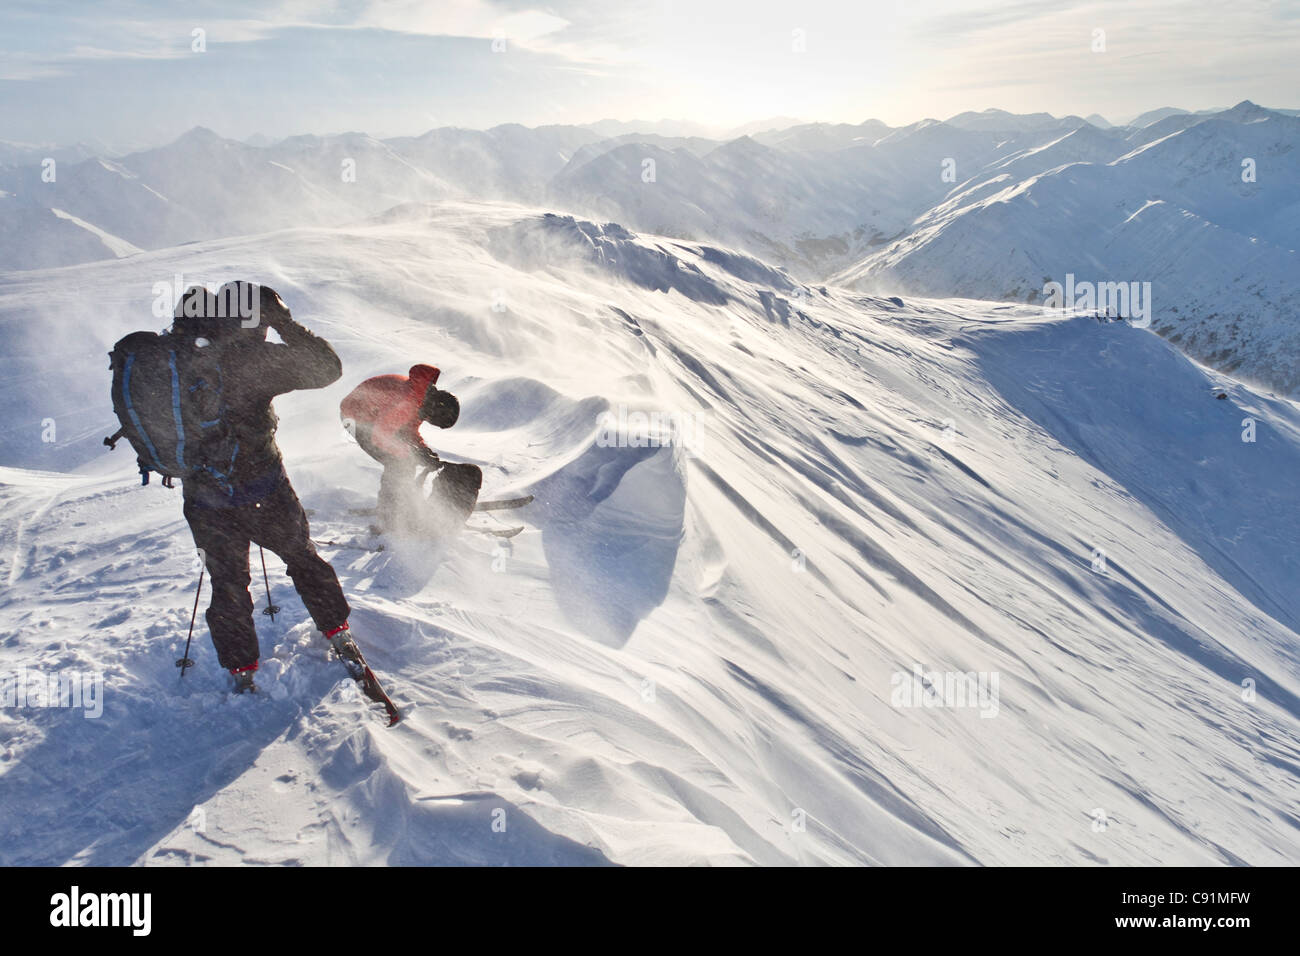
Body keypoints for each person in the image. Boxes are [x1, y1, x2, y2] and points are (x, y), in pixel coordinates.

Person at [171, 282, 358, 693]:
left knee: (228, 582)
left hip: (204, 501)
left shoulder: (171, 362)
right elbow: (327, 367)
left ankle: (242, 669)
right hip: (263, 489)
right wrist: (284, 322)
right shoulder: (252, 360)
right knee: (302, 558)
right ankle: (336, 629)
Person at [339, 365, 481, 536]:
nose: (427, 420)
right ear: (435, 410)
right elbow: (380, 436)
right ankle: (389, 519)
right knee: (398, 463)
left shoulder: (421, 397)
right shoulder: (408, 402)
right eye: (431, 420)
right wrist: (413, 453)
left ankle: (403, 504)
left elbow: (407, 430)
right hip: (356, 417)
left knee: (405, 458)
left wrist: (423, 450)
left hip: (376, 416)